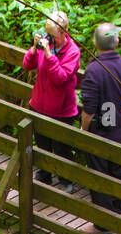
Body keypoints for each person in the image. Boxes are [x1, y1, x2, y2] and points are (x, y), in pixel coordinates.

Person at [79, 22, 121, 234]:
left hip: (100, 134)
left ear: (95, 43)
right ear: (116, 41)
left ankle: (103, 226)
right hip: (120, 132)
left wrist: (84, 132)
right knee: (117, 174)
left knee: (99, 177)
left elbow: (88, 110)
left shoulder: (94, 69)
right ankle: (115, 214)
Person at [21, 10, 81, 192]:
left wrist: (49, 55)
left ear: (64, 32)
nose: (50, 39)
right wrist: (34, 49)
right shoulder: (45, 44)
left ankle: (65, 179)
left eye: (53, 36)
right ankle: (44, 174)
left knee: (62, 148)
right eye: (48, 35)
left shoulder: (73, 52)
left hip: (61, 110)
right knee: (42, 144)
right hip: (39, 104)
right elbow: (27, 65)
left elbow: (61, 78)